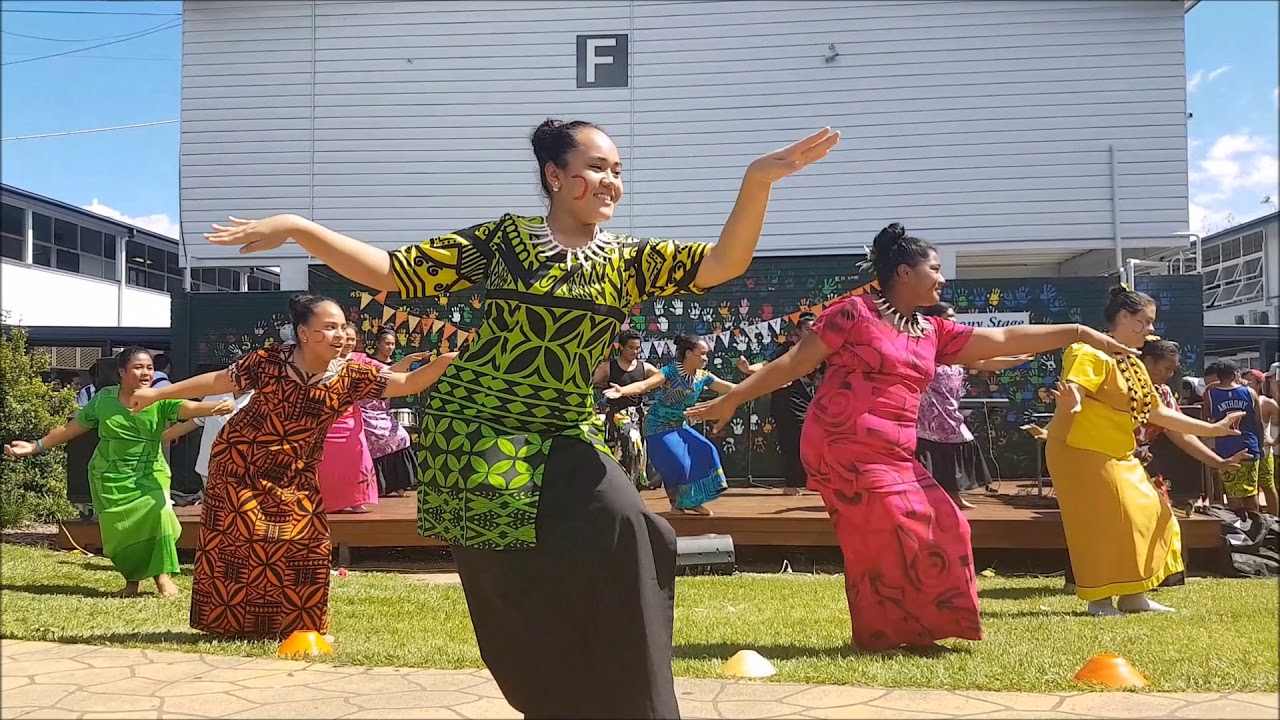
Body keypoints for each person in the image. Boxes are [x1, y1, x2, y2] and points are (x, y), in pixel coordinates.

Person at [203, 119, 839, 718]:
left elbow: (723, 265)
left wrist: (757, 182)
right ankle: (555, 700)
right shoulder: (503, 242)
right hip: (484, 431)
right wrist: (298, 227)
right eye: (596, 167)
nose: (612, 181)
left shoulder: (627, 261)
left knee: (640, 532)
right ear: (554, 176)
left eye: (618, 169)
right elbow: (391, 272)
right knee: (511, 579)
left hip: (566, 428)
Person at [687, 222, 1142, 652]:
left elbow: (1001, 339)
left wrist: (1079, 333)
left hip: (895, 451)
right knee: (883, 536)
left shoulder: (931, 330)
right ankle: (883, 634)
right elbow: (794, 364)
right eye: (935, 269)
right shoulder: (853, 313)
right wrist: (735, 397)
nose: (942, 279)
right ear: (904, 272)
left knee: (948, 523)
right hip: (841, 444)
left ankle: (924, 626)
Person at [127, 293, 457, 638]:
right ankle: (228, 624)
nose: (341, 334)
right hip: (239, 462)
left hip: (294, 472)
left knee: (308, 543)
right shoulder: (270, 360)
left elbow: (407, 382)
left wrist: (446, 360)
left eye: (343, 326)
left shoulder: (353, 373)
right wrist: (158, 394)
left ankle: (301, 626)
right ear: (303, 332)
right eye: (329, 327)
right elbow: (220, 380)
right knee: (236, 545)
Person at [1041, 288, 1242, 616]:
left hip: (1117, 452)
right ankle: (1099, 600)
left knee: (1154, 514)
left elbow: (1159, 413)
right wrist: (1073, 400)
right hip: (1079, 449)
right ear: (1123, 318)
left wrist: (1215, 429)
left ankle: (1134, 595)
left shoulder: (1130, 362)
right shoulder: (1088, 351)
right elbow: (1075, 388)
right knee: (1103, 524)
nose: (1150, 328)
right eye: (1144, 321)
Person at [4, 347, 234, 597]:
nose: (145, 373)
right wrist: (35, 445)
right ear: (122, 372)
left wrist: (213, 408)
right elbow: (71, 429)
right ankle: (132, 580)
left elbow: (186, 408)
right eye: (138, 367)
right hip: (110, 476)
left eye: (149, 367)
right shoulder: (104, 399)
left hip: (150, 472)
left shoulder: (159, 399)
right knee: (122, 532)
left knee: (161, 517)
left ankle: (163, 576)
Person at [915, 303, 1031, 509]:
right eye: (949, 317)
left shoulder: (957, 352)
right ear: (935, 320)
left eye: (954, 317)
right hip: (927, 416)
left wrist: (1015, 361)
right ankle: (934, 499)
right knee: (932, 454)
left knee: (960, 444)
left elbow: (985, 363)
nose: (954, 321)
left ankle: (954, 497)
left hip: (950, 412)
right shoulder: (925, 349)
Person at [606, 334, 735, 515]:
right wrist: (622, 391)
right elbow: (644, 385)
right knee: (680, 463)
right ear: (689, 353)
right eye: (702, 354)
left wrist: (766, 384)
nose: (706, 358)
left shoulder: (704, 377)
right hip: (657, 425)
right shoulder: (671, 372)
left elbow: (733, 389)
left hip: (679, 425)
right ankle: (677, 504)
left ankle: (691, 502)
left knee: (706, 450)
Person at [739, 311, 821, 495]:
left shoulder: (819, 350)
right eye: (808, 329)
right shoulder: (787, 349)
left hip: (808, 403)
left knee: (812, 441)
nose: (812, 332)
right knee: (792, 442)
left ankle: (811, 481)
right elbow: (767, 366)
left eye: (814, 329)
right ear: (798, 332)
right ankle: (791, 485)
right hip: (786, 402)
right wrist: (747, 369)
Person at [161, 364, 255, 507]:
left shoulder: (265, 399)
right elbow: (192, 423)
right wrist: (157, 439)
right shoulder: (215, 396)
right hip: (209, 470)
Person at [317, 324, 380, 513]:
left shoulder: (360, 361)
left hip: (351, 419)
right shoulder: (321, 360)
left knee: (358, 457)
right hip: (326, 421)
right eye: (347, 338)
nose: (350, 343)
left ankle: (357, 499)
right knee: (327, 463)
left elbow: (388, 372)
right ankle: (329, 501)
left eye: (353, 339)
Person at [593, 329, 659, 490]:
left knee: (637, 448)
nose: (635, 351)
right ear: (621, 347)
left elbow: (662, 380)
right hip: (616, 414)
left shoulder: (645, 368)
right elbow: (593, 382)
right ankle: (623, 485)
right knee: (630, 440)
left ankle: (634, 483)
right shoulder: (608, 367)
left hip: (638, 414)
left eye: (637, 348)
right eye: (631, 348)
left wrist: (647, 387)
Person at [365, 327, 426, 497]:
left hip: (383, 412)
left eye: (393, 344)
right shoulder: (368, 363)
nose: (390, 347)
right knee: (378, 439)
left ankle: (399, 484)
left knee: (402, 437)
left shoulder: (395, 365)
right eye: (387, 343)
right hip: (365, 412)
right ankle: (379, 485)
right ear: (378, 344)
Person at [1205, 360, 1265, 513]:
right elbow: (1258, 423)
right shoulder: (1250, 393)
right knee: (1251, 492)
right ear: (1235, 374)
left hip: (1226, 448)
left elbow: (1207, 418)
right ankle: (1255, 529)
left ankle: (1237, 531)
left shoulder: (1211, 394)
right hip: (1248, 445)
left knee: (1232, 494)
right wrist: (1261, 445)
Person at [1243, 369, 1279, 515]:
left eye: (1249, 381)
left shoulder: (1268, 403)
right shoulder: (1241, 399)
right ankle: (1257, 521)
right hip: (1246, 450)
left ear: (1259, 384)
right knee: (1251, 489)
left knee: (1268, 486)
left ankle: (1274, 519)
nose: (1245, 383)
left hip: (1264, 452)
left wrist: (1273, 441)